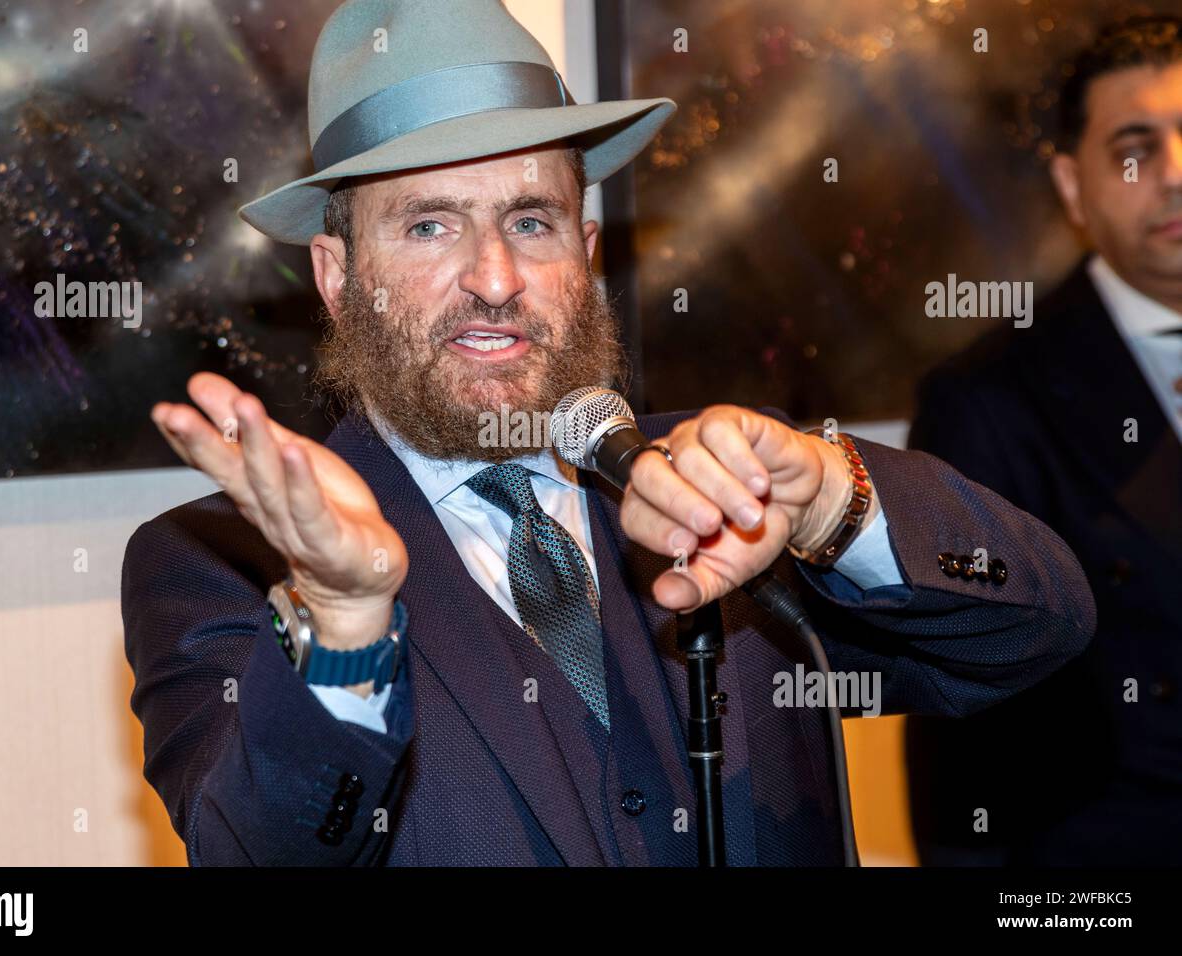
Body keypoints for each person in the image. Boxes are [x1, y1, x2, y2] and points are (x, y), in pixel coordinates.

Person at [122, 0, 1094, 866]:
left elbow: (1037, 631)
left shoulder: (716, 481)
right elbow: (256, 846)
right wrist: (341, 622)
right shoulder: (225, 561)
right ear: (336, 277)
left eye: (532, 220)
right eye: (429, 226)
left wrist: (833, 502)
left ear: (586, 254)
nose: (495, 276)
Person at [907, 16, 1182, 866]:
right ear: (1073, 184)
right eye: (1136, 149)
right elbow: (962, 743)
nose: (1175, 176)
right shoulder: (988, 400)